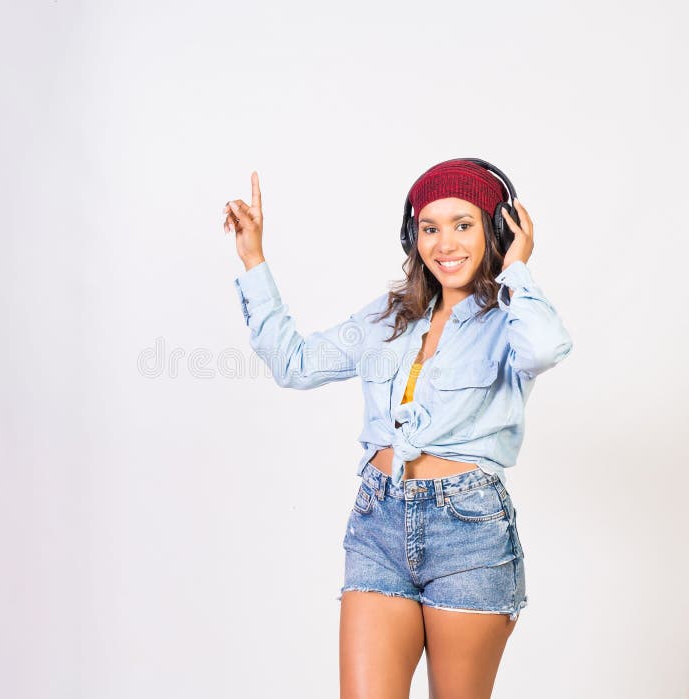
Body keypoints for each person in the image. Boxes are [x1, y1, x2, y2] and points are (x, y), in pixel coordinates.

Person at [223, 159, 573, 698]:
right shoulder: (388, 316)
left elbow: (546, 349)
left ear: (496, 231)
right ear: (414, 237)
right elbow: (295, 364)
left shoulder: (512, 318)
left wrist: (517, 268)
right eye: (430, 228)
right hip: (377, 525)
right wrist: (253, 260)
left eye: (463, 225)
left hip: (468, 534)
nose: (445, 243)